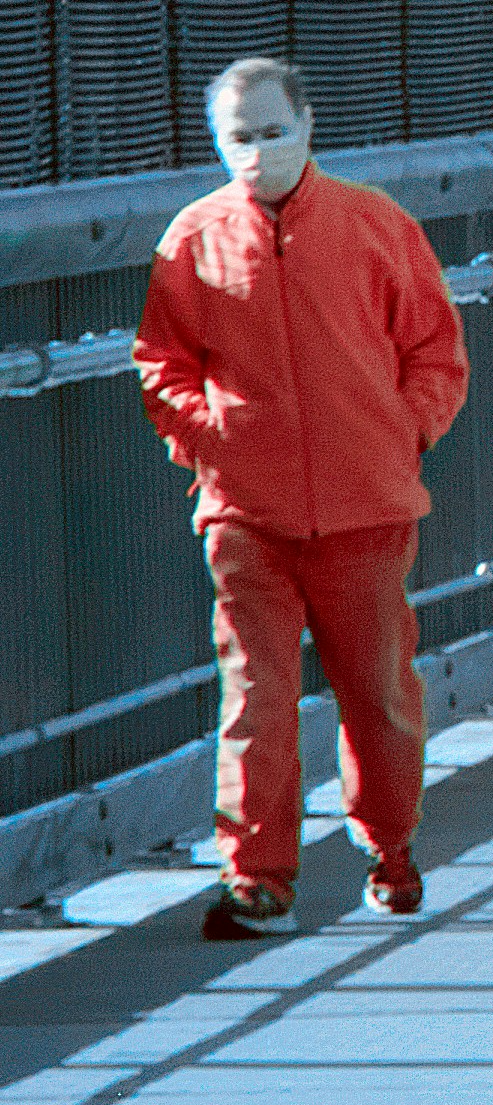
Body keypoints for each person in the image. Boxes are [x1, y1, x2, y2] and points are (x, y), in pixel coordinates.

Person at [134, 57, 469, 938]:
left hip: (367, 508)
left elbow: (437, 348)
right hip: (248, 513)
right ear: (218, 144)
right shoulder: (193, 239)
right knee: (256, 697)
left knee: (378, 693)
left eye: (273, 132)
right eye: (238, 139)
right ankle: (258, 881)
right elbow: (162, 366)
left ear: (309, 126)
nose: (257, 153)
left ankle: (392, 854)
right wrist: (210, 440)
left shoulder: (375, 227)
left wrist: (404, 433)